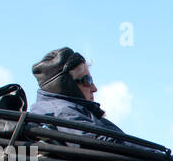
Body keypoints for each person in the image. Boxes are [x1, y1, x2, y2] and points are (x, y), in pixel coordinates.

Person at [28, 47, 163, 155]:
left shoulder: (59, 110)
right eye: (87, 81)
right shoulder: (62, 112)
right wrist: (159, 156)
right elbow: (102, 143)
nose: (94, 88)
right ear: (66, 86)